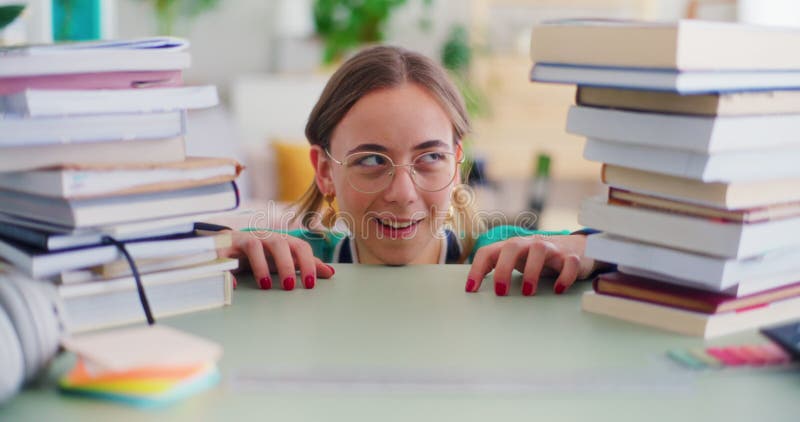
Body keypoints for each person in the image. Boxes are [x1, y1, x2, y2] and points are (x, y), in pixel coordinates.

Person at [218, 45, 604, 296]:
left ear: (456, 164)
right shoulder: (297, 258)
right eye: (371, 160)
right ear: (324, 171)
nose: (402, 193)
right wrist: (219, 248)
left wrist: (589, 248)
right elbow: (176, 251)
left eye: (430, 158)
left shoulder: (499, 255)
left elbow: (632, 250)